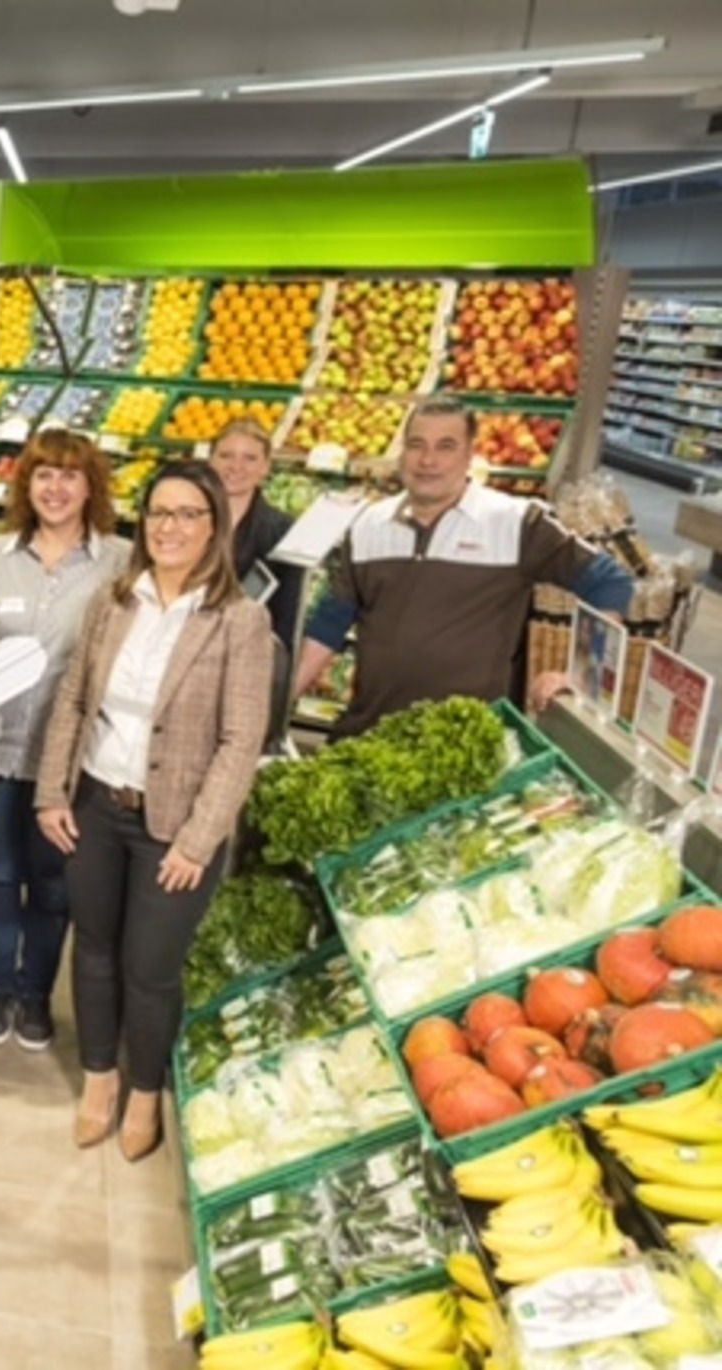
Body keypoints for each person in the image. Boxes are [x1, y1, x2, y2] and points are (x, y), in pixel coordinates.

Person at [36, 462, 273, 1162]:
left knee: (151, 966)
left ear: (214, 528)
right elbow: (75, 700)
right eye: (158, 513)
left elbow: (240, 739)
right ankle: (99, 1080)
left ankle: (145, 1093)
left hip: (176, 826)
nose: (170, 528)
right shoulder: (113, 603)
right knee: (95, 950)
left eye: (188, 514)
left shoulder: (240, 621)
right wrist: (54, 791)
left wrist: (198, 841)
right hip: (96, 809)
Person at [297, 395, 635, 736]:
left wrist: (578, 676)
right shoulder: (369, 523)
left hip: (467, 745)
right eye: (417, 445)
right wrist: (276, 705)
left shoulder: (515, 522)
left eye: (446, 446)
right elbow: (329, 623)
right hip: (372, 732)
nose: (428, 460)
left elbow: (610, 582)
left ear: (469, 454)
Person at [0, 429, 129, 1051]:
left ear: (91, 486)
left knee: (55, 882)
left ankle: (35, 995)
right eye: (42, 475)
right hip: (0, 748)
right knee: (0, 874)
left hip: (73, 757)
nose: (55, 488)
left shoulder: (119, 560)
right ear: (24, 485)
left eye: (69, 475)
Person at [208, 417, 292, 582]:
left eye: (250, 458)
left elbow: (287, 603)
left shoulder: (282, 531)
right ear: (210, 461)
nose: (236, 466)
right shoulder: (182, 518)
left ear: (265, 467)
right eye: (226, 456)